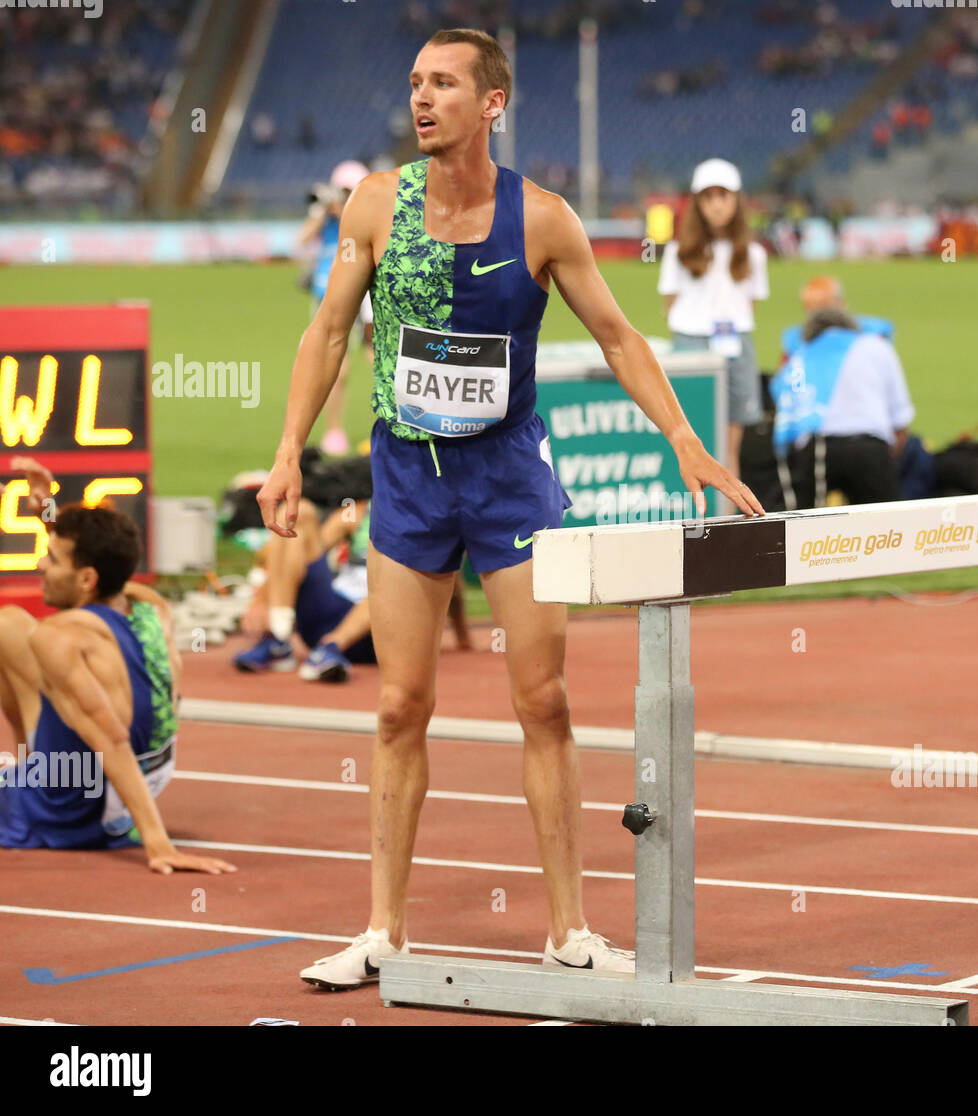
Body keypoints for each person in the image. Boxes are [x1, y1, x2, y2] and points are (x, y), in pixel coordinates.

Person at [256, 28, 761, 990]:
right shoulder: (374, 204)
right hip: (408, 475)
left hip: (510, 482)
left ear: (494, 101)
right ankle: (383, 935)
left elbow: (617, 337)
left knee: (544, 702)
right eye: (414, 82)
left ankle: (569, 931)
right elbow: (327, 335)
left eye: (443, 83)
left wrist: (686, 438)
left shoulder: (542, 219)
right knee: (401, 704)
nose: (422, 97)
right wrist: (285, 454)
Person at [0, 458, 234, 873]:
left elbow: (111, 741)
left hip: (63, 813)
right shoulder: (152, 607)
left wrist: (158, 844)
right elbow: (104, 563)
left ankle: (26, 783)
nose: (40, 564)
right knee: (8, 625)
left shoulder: (58, 637)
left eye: (50, 559)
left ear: (87, 579)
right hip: (126, 790)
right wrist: (47, 515)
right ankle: (28, 762)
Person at [657, 157, 769, 503]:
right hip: (692, 343)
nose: (717, 204)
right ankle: (693, 515)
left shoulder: (752, 254)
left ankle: (729, 519)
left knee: (731, 438)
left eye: (724, 195)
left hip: (735, 345)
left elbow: (750, 304)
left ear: (737, 200)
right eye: (708, 197)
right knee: (692, 436)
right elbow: (670, 305)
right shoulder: (678, 252)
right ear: (697, 203)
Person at [770, 276, 913, 508]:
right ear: (843, 304)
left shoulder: (800, 355)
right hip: (871, 447)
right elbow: (900, 419)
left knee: (806, 532)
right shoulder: (878, 346)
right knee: (883, 532)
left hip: (818, 449)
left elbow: (788, 398)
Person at [234, 498, 381, 681]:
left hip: (383, 634)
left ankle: (332, 646)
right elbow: (302, 552)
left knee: (394, 576)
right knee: (297, 512)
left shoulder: (421, 518)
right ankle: (279, 635)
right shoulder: (359, 512)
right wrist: (261, 600)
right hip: (330, 614)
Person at [298, 160, 375, 456]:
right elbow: (303, 238)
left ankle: (386, 426)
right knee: (335, 368)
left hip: (365, 291)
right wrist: (321, 212)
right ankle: (333, 431)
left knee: (376, 357)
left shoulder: (365, 212)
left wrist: (344, 210)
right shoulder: (326, 215)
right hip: (328, 293)